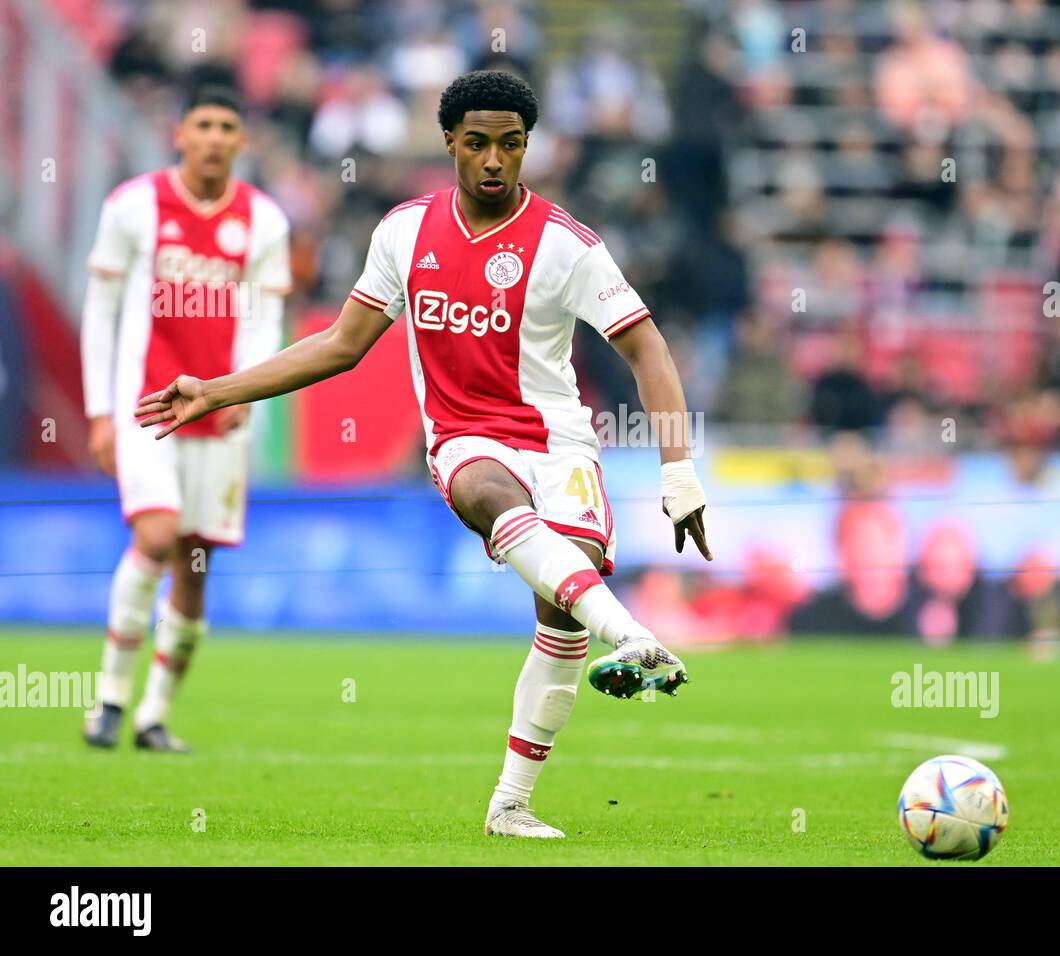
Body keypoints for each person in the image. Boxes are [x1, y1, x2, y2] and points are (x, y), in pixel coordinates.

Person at [134, 70, 711, 839]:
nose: (495, 161)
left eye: (511, 144)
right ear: (449, 144)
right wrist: (217, 390)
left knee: (561, 617)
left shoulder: (566, 245)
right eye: (477, 144)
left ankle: (509, 804)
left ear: (527, 146)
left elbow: (647, 347)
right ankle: (634, 637)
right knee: (486, 496)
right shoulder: (404, 233)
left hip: (560, 440)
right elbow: (340, 345)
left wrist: (677, 470)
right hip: (463, 436)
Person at [81, 85, 291, 753]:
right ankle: (109, 700)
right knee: (157, 535)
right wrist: (99, 413)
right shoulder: (134, 205)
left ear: (241, 141)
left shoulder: (264, 221)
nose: (213, 136)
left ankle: (152, 715)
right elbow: (100, 311)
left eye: (227, 125)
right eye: (202, 124)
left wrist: (243, 394)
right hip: (146, 407)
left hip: (220, 416)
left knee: (195, 566)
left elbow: (264, 319)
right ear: (180, 134)